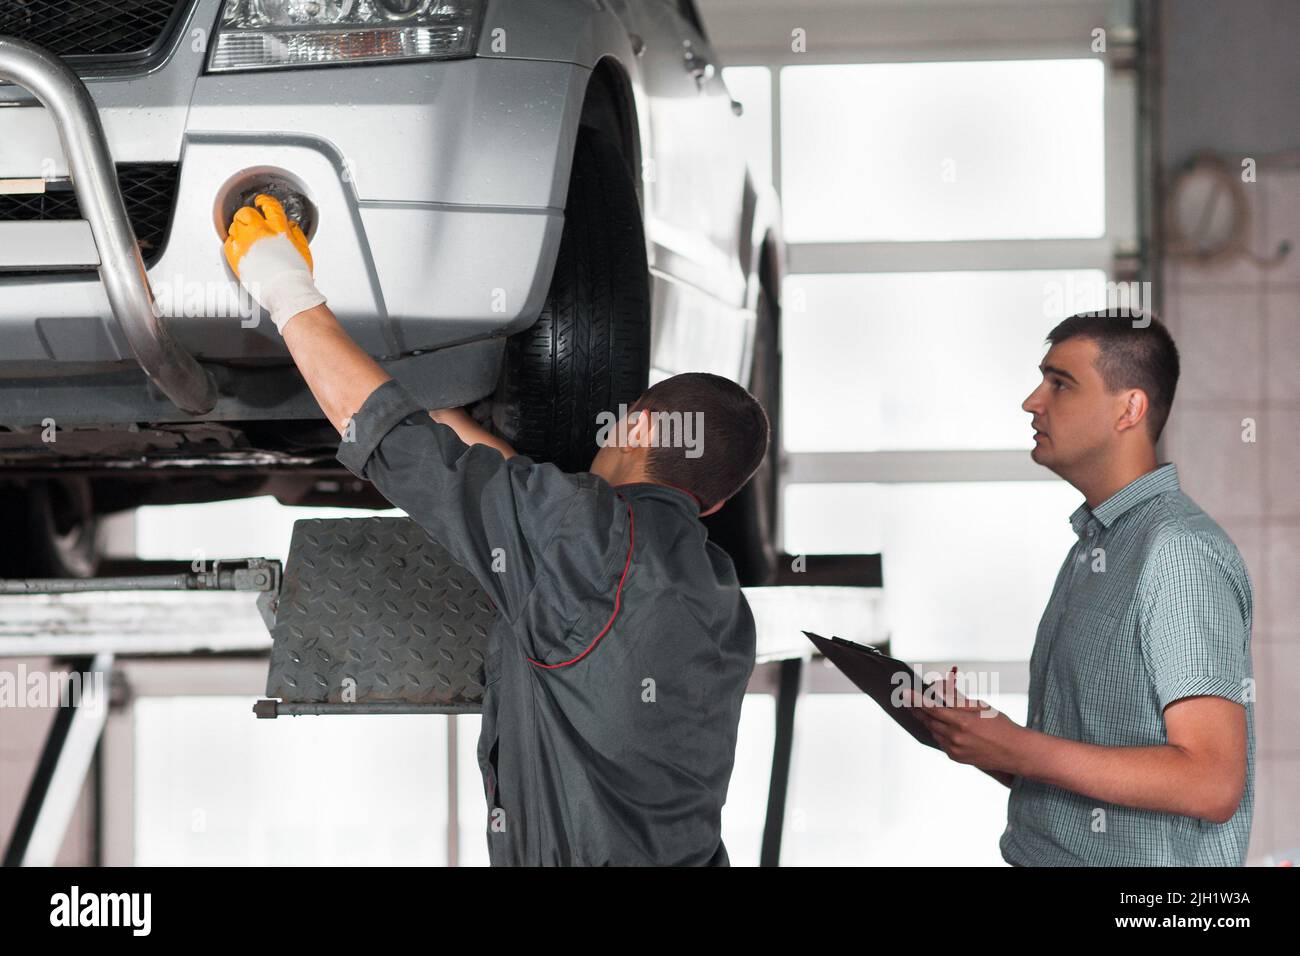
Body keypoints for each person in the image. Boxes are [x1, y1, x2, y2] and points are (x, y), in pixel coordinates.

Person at [223, 194, 768, 865]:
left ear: (643, 428)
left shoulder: (587, 546)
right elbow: (513, 499)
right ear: (709, 507)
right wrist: (430, 398)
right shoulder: (719, 604)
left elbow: (406, 450)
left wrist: (281, 281)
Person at [909, 310, 1254, 866]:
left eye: (1060, 383)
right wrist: (983, 742)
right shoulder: (1095, 544)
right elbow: (1093, 774)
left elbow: (1211, 783)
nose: (1032, 402)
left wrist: (1017, 746)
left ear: (1129, 409)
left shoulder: (1177, 553)